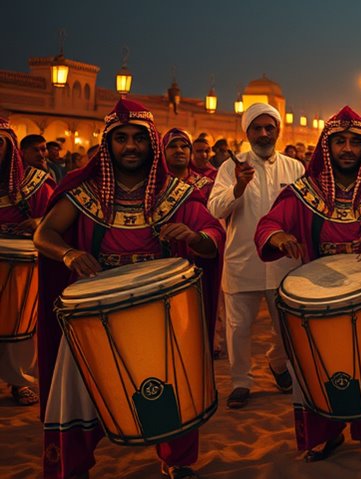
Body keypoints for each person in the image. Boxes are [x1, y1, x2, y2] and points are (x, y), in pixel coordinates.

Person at [33, 99, 224, 479]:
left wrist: (193, 235)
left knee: (173, 382)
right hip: (93, 312)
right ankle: (73, 466)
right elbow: (45, 234)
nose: (130, 146)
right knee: (79, 389)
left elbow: (213, 236)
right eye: (121, 138)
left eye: (138, 138)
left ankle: (178, 461)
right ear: (108, 144)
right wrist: (69, 254)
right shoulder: (84, 192)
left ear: (152, 143)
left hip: (160, 311)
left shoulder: (177, 194)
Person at [254, 106, 361, 467]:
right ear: (326, 147)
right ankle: (324, 436)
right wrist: (280, 235)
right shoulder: (302, 193)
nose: (347, 148)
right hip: (319, 304)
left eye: (354, 142)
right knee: (319, 367)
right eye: (339, 141)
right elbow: (268, 224)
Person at [207, 103, 305, 410]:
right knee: (239, 328)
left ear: (278, 130)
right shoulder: (229, 168)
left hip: (283, 263)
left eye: (269, 128)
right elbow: (215, 210)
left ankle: (277, 362)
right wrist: (239, 186)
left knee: (287, 326)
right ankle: (241, 382)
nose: (263, 134)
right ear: (247, 132)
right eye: (257, 129)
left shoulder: (295, 168)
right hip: (243, 260)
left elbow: (304, 213)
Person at [0, 119, 53, 407]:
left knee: (20, 328)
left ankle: (19, 382)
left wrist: (39, 222)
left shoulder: (34, 183)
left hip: (20, 267)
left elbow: (58, 221)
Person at [163, 129, 215, 202]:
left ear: (190, 152)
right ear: (163, 152)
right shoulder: (156, 186)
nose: (179, 150)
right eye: (173, 146)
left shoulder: (206, 186)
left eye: (184, 146)